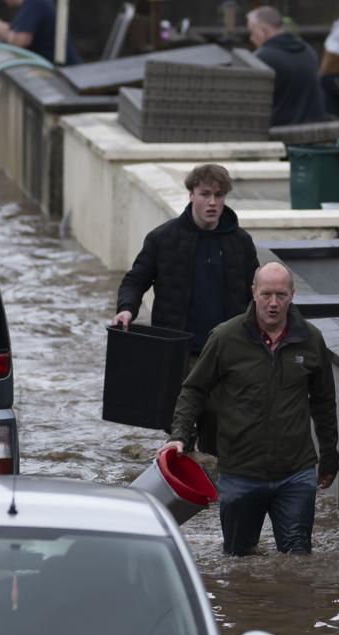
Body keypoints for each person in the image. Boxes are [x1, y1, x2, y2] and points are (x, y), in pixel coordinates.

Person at [160, 262, 339, 556]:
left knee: (297, 560)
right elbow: (194, 390)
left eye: (281, 295)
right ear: (253, 293)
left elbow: (323, 403)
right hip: (240, 471)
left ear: (292, 296)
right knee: (238, 560)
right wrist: (179, 436)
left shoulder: (310, 339)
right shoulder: (225, 338)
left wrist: (330, 459)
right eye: (266, 294)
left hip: (295, 472)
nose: (273, 303)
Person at [114, 164, 259, 453]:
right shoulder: (163, 238)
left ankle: (215, 491)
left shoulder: (240, 243)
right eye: (205, 194)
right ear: (191, 194)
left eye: (219, 195)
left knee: (220, 432)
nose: (213, 202)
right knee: (178, 431)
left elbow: (256, 292)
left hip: (224, 354)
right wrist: (126, 309)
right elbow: (135, 279)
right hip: (178, 353)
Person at [247, 6, 326, 127]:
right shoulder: (308, 50)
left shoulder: (262, 58)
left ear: (262, 31)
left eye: (252, 31)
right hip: (315, 129)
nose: (251, 38)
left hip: (282, 134)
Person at [0, 0, 82, 65]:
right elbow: (11, 32)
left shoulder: (36, 3)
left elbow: (21, 40)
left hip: (67, 79)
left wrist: (12, 37)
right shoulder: (30, 6)